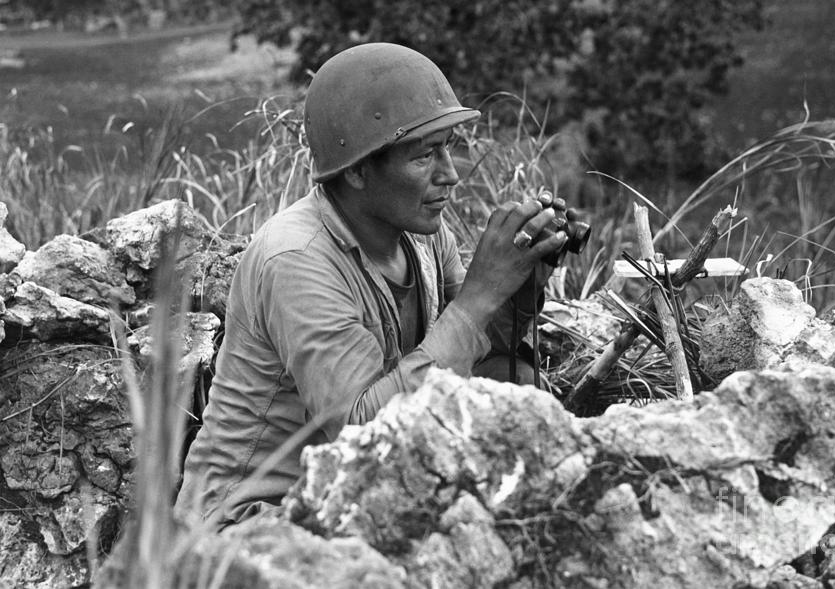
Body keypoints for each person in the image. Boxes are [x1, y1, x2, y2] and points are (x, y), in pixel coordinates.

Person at [175, 42, 569, 530]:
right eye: (425, 156)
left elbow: (469, 355)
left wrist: (521, 284)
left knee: (518, 389)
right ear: (358, 170)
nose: (450, 175)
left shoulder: (422, 235)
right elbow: (361, 432)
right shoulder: (296, 259)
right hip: (252, 519)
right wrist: (479, 293)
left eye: (449, 148)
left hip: (355, 494)